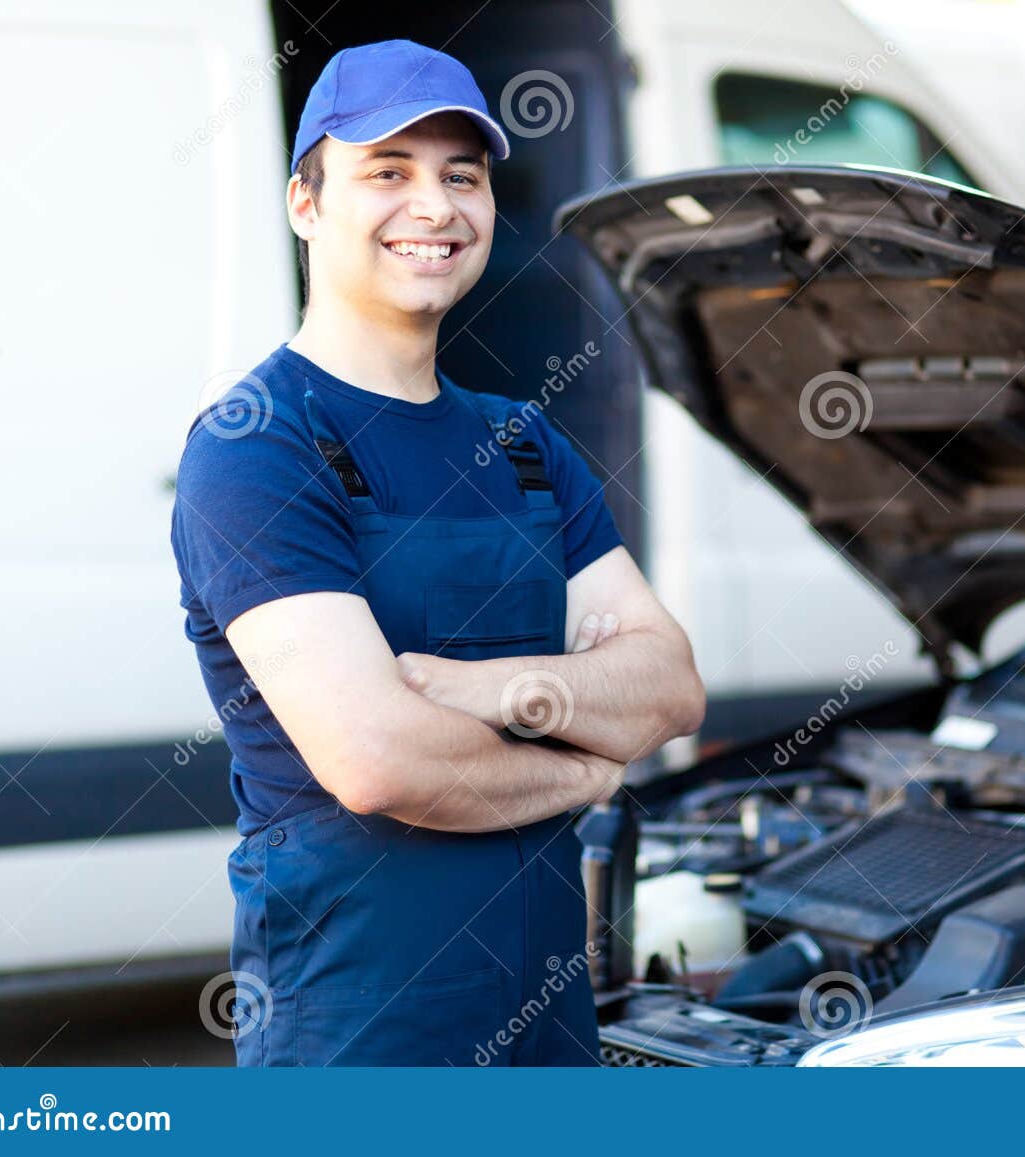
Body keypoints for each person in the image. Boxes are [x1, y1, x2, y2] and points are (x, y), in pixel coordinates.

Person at [169, 39, 705, 1066]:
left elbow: (672, 685)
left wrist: (490, 687)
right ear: (305, 204)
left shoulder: (524, 441)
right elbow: (377, 760)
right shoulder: (257, 442)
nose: (435, 205)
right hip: (358, 1028)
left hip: (548, 1018)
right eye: (387, 171)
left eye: (462, 175)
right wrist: (590, 764)